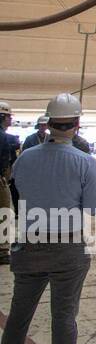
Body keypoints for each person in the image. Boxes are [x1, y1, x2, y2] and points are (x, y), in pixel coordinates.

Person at [0, 93, 96, 344]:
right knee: (63, 316)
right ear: (76, 124)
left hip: (29, 244)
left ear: (48, 124)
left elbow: (19, 192)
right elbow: (93, 206)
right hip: (67, 246)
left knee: (19, 318)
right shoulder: (83, 161)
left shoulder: (26, 157)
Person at [0, 101, 17, 266]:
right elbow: (6, 161)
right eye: (9, 116)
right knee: (4, 213)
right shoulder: (4, 137)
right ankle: (2, 250)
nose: (10, 119)